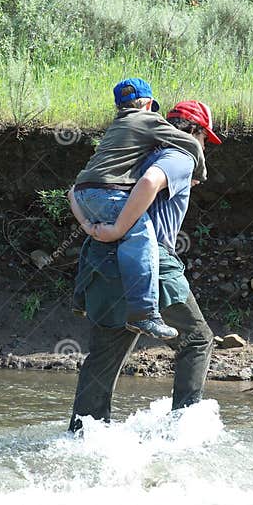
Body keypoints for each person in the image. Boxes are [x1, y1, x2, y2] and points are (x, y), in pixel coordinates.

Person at [68, 100, 222, 435]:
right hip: (151, 261)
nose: (204, 147)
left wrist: (101, 228)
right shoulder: (180, 155)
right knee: (196, 340)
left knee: (104, 357)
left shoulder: (133, 153)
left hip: (104, 262)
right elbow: (151, 182)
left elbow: (78, 189)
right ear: (194, 132)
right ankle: (182, 434)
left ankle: (83, 436)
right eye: (205, 140)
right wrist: (125, 227)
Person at [67, 78, 209, 342]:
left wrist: (87, 226)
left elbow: (73, 191)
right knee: (142, 235)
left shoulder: (115, 129)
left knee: (98, 236)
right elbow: (187, 144)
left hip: (84, 191)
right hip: (109, 192)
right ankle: (145, 313)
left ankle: (81, 298)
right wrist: (199, 170)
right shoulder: (149, 121)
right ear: (146, 104)